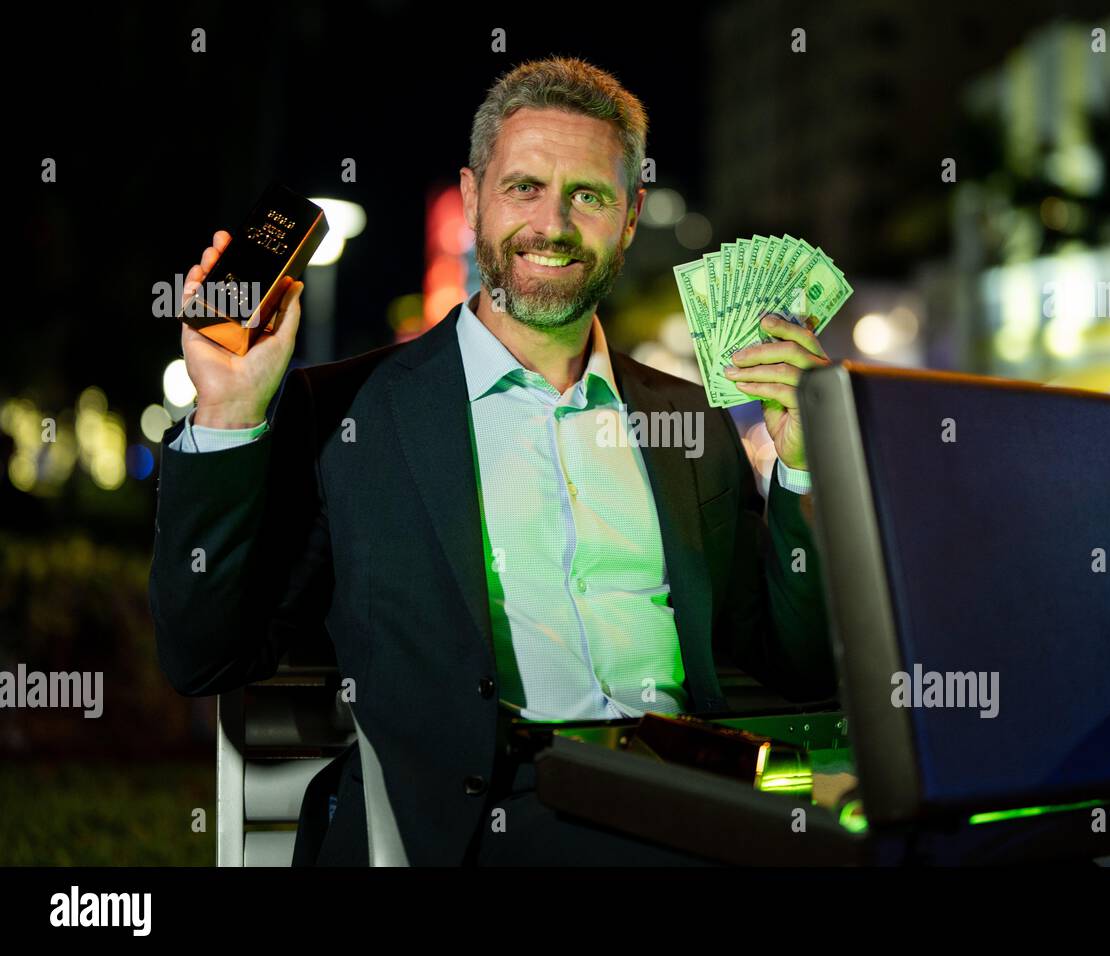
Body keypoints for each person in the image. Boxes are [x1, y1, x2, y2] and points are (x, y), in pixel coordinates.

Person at [150, 56, 836, 865]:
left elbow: (797, 664)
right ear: (473, 198)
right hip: (474, 824)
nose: (552, 224)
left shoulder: (690, 420)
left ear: (629, 216)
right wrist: (229, 411)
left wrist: (801, 468)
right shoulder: (347, 414)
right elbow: (204, 657)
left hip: (686, 801)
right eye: (524, 189)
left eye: (588, 195)